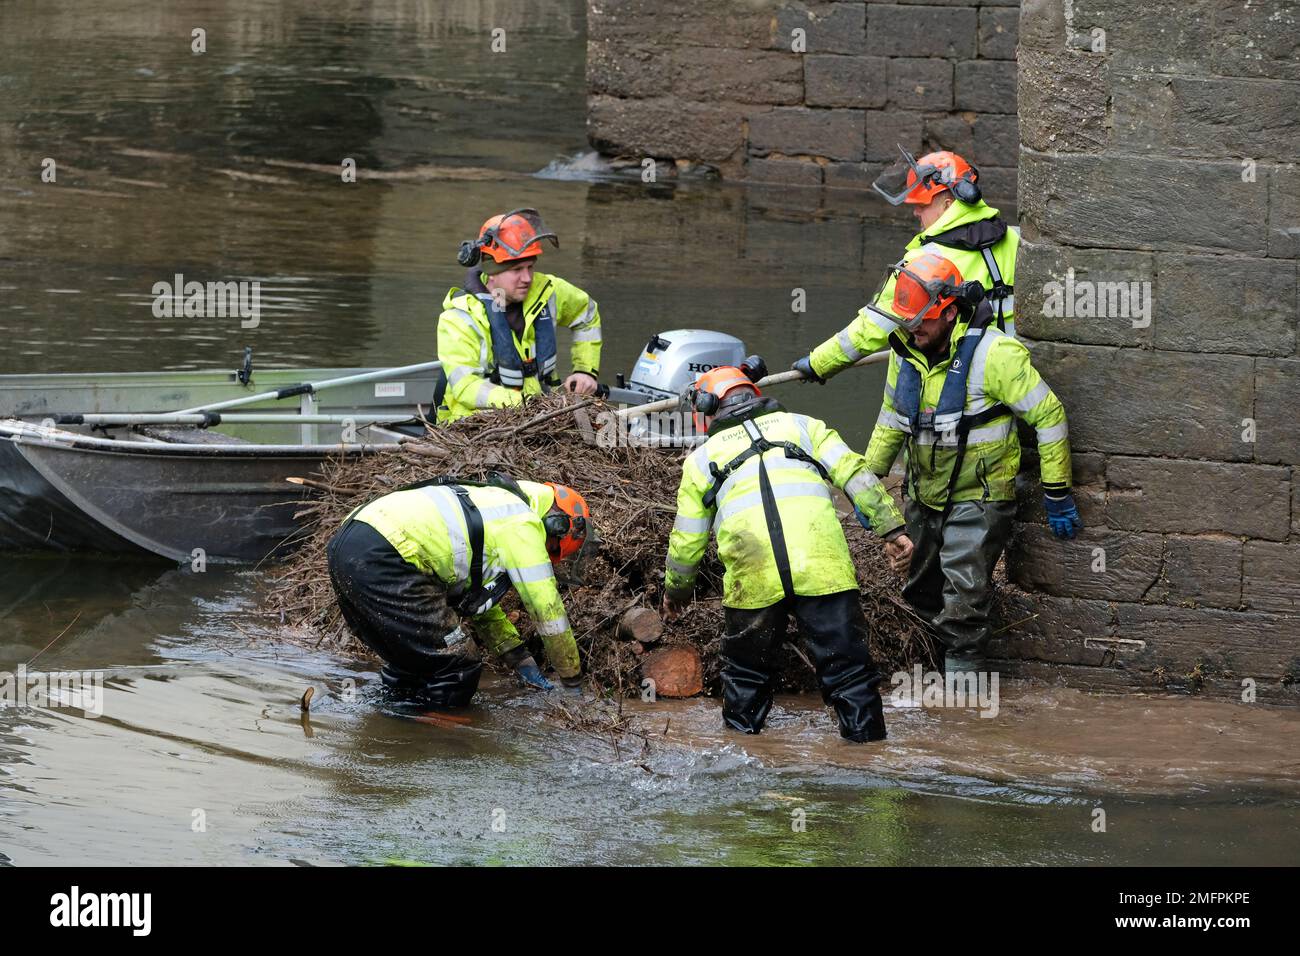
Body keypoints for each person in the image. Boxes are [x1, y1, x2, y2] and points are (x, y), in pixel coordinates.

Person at [661, 361, 913, 742]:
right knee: (850, 675)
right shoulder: (805, 426)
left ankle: (742, 764)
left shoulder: (699, 461)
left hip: (753, 580)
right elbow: (855, 476)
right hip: (822, 571)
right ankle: (869, 761)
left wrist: (677, 591)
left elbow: (687, 541)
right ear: (754, 393)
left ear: (709, 409)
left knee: (746, 677)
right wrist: (891, 529)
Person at [863, 252, 1079, 668]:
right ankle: (925, 696)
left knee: (962, 601)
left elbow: (1049, 416)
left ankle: (961, 708)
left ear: (948, 310)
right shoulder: (905, 353)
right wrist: (864, 484)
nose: (911, 327)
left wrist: (1056, 490)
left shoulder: (996, 355)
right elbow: (890, 422)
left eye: (920, 319)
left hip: (980, 497)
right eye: (905, 320)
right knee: (920, 594)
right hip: (924, 495)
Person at [326, 473, 592, 706]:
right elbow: (548, 611)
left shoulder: (492, 505)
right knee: (457, 666)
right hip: (384, 554)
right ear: (558, 524)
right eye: (554, 549)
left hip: (349, 546)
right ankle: (443, 750)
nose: (550, 554)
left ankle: (394, 725)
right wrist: (572, 683)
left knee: (414, 663)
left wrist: (518, 657)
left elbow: (478, 607)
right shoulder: (522, 523)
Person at [791, 147, 1019, 385]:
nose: (915, 211)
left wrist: (819, 363)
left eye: (922, 204)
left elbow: (873, 327)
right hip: (1017, 376)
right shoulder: (1017, 241)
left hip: (963, 385)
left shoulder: (924, 264)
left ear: (948, 205)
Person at [436, 208, 602, 423]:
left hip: (542, 418)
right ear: (492, 272)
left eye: (530, 267)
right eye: (516, 270)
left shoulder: (549, 291)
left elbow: (586, 315)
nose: (527, 278)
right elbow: (466, 387)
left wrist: (585, 371)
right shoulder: (459, 319)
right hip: (476, 425)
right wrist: (523, 404)